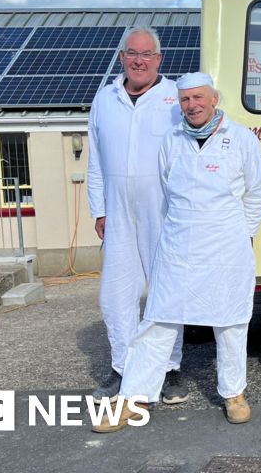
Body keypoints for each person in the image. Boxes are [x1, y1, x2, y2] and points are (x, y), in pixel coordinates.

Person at [93, 72, 261, 433]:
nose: (192, 105)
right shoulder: (171, 141)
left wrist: (241, 234)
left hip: (226, 247)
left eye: (199, 98)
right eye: (185, 99)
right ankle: (133, 399)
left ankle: (234, 394)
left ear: (214, 99)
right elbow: (164, 189)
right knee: (158, 321)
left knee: (230, 322)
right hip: (178, 247)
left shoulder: (241, 139)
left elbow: (257, 193)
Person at [86, 26, 187, 404]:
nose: (139, 61)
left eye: (147, 54)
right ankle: (123, 367)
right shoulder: (105, 99)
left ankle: (169, 369)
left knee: (166, 290)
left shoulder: (175, 98)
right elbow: (95, 159)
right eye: (132, 53)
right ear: (122, 57)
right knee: (116, 294)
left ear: (159, 59)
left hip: (163, 211)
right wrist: (99, 210)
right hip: (118, 213)